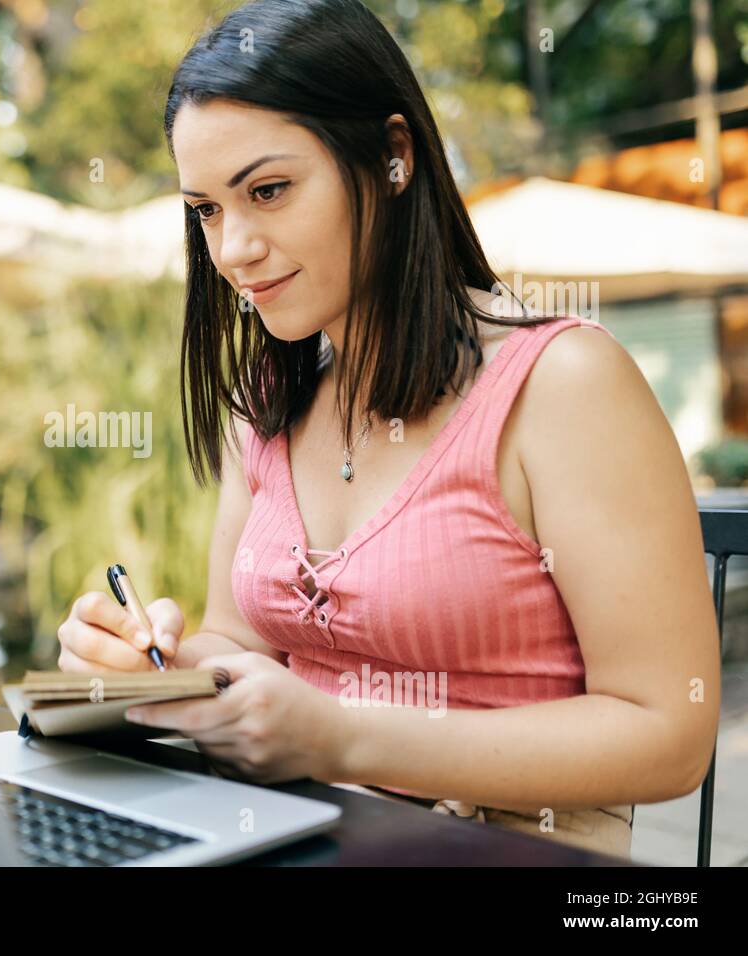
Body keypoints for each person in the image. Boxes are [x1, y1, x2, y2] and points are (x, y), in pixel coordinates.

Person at [55, 0, 721, 859]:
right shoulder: (268, 402)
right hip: (292, 838)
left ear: (394, 157)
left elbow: (671, 733)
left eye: (267, 191)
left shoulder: (562, 386)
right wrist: (142, 671)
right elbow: (238, 642)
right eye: (206, 211)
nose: (232, 251)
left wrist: (342, 736)